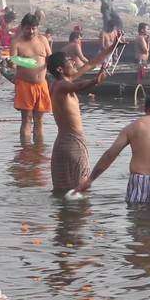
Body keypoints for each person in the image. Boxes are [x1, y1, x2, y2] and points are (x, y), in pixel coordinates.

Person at [47, 32, 119, 192]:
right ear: (60, 69)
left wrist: (112, 47)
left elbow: (91, 64)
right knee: (81, 190)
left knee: (64, 193)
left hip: (64, 144)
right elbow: (79, 86)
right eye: (69, 62)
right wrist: (95, 80)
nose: (73, 62)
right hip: (73, 143)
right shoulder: (60, 86)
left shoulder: (64, 82)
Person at [10, 13, 52, 142]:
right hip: (25, 84)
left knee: (39, 120)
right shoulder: (17, 43)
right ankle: (26, 152)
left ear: (37, 28)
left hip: (42, 84)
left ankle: (38, 150)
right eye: (28, 28)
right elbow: (13, 61)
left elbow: (50, 58)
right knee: (26, 118)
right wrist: (29, 62)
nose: (31, 31)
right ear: (22, 28)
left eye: (34, 28)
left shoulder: (43, 40)